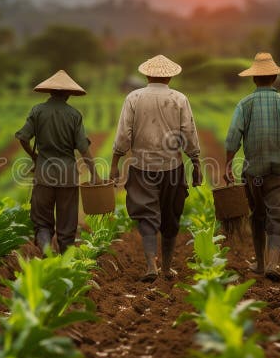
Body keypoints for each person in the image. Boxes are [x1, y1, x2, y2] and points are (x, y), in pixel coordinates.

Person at [110, 55, 202, 282]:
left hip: (142, 167)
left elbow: (124, 134)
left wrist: (115, 162)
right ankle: (167, 268)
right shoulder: (179, 98)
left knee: (147, 216)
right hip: (173, 167)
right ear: (170, 76)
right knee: (171, 217)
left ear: (146, 75)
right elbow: (188, 132)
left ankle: (151, 264)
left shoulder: (134, 97)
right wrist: (196, 162)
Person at [223, 53, 280, 282]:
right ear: (274, 77)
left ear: (254, 79)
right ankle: (273, 262)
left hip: (254, 174)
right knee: (278, 215)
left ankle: (261, 264)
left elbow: (233, 137)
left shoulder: (245, 105)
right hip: (279, 172)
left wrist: (227, 164)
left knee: (258, 215)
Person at [16, 70, 99, 254]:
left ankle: (46, 254)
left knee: (42, 223)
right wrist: (95, 174)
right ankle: (64, 265)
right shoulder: (74, 115)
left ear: (50, 91)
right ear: (69, 94)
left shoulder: (37, 111)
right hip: (68, 177)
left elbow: (23, 138)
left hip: (43, 175)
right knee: (67, 225)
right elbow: (83, 147)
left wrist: (34, 156)